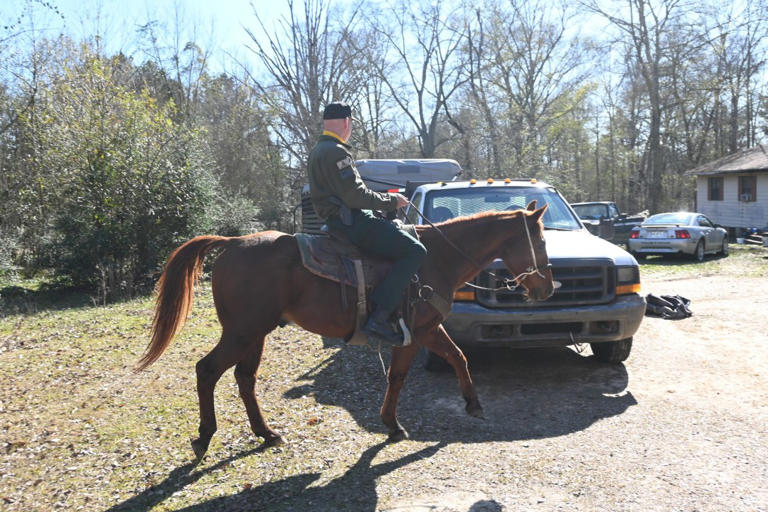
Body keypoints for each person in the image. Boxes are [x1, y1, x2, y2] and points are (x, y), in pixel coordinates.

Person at [308, 102, 427, 346]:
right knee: (415, 250)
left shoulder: (317, 151)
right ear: (347, 122)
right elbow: (355, 197)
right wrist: (392, 201)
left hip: (336, 221)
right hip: (353, 222)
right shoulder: (337, 152)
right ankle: (380, 318)